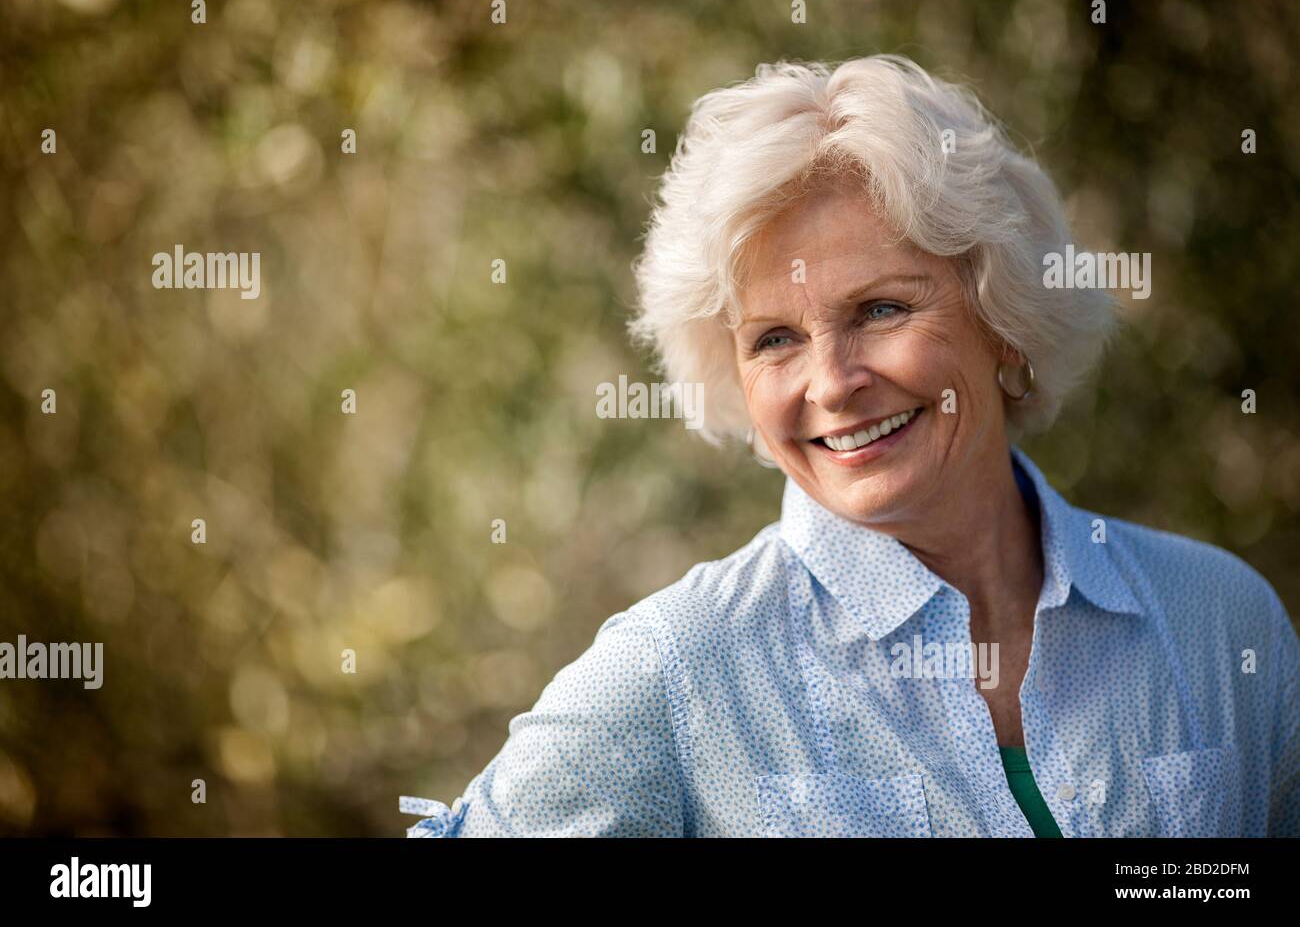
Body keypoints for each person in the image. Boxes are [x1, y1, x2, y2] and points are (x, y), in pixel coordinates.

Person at [401, 55, 1299, 837]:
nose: (830, 384)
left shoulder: (1220, 620)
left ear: (1006, 324)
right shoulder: (681, 668)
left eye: (881, 310)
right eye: (775, 339)